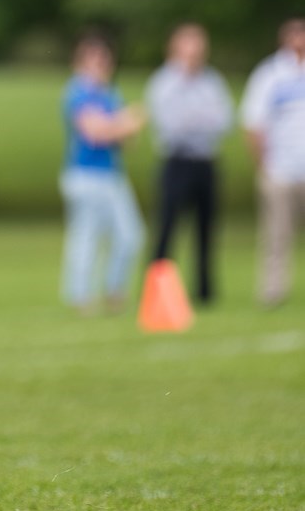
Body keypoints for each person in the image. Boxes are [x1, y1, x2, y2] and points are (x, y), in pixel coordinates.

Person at [144, 23, 234, 303]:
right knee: (168, 227)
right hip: (177, 160)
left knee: (206, 230)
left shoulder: (212, 81)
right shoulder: (164, 82)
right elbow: (172, 125)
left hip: (205, 161)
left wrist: (196, 118)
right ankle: (157, 292)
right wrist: (200, 118)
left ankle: (204, 293)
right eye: (188, 43)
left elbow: (225, 119)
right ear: (175, 47)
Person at [59, 35, 145, 313]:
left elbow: (126, 140)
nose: (102, 64)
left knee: (131, 236)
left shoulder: (109, 94)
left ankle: (114, 291)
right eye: (96, 59)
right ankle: (80, 297)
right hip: (85, 176)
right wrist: (125, 122)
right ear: (81, 62)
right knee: (86, 238)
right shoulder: (77, 92)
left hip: (111, 175)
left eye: (105, 59)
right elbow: (94, 133)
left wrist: (118, 127)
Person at [240, 18, 305, 307]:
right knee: (276, 236)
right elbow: (253, 122)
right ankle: (273, 291)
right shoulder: (270, 74)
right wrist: (264, 165)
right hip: (279, 169)